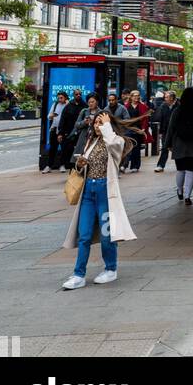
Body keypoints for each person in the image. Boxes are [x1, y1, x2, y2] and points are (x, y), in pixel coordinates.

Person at [62, 110, 139, 288]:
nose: (98, 126)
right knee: (84, 235)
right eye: (96, 123)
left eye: (101, 122)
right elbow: (83, 167)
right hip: (88, 193)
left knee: (106, 234)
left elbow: (114, 145)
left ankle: (111, 269)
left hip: (105, 193)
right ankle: (78, 275)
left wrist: (107, 126)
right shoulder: (92, 141)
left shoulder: (115, 141)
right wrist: (80, 165)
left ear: (109, 124)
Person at [123, 90, 151, 173]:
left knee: (136, 148)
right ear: (131, 97)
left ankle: (135, 165)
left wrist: (143, 129)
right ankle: (124, 164)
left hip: (138, 130)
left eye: (138, 95)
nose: (136, 97)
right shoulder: (126, 106)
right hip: (128, 129)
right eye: (134, 96)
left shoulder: (143, 106)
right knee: (127, 147)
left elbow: (145, 119)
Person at [58, 89, 86, 170]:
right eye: (76, 94)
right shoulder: (69, 106)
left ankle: (78, 167)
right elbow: (63, 119)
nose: (78, 95)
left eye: (80, 94)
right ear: (73, 95)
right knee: (66, 149)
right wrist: (60, 133)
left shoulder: (84, 106)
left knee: (79, 150)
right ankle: (63, 165)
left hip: (80, 132)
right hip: (69, 132)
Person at [44, 90, 69, 170]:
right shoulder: (55, 105)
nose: (59, 99)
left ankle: (62, 165)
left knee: (64, 148)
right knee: (52, 148)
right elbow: (49, 116)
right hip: (54, 129)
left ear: (65, 98)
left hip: (63, 129)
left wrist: (68, 104)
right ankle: (49, 166)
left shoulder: (68, 105)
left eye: (61, 98)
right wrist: (52, 115)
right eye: (58, 98)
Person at [154, 90, 176, 172]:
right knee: (164, 148)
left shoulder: (178, 106)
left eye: (166, 97)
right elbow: (160, 118)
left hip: (175, 132)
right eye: (165, 97)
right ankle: (160, 165)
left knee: (176, 149)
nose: (165, 99)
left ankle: (181, 165)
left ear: (172, 98)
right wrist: (160, 132)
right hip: (165, 131)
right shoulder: (163, 106)